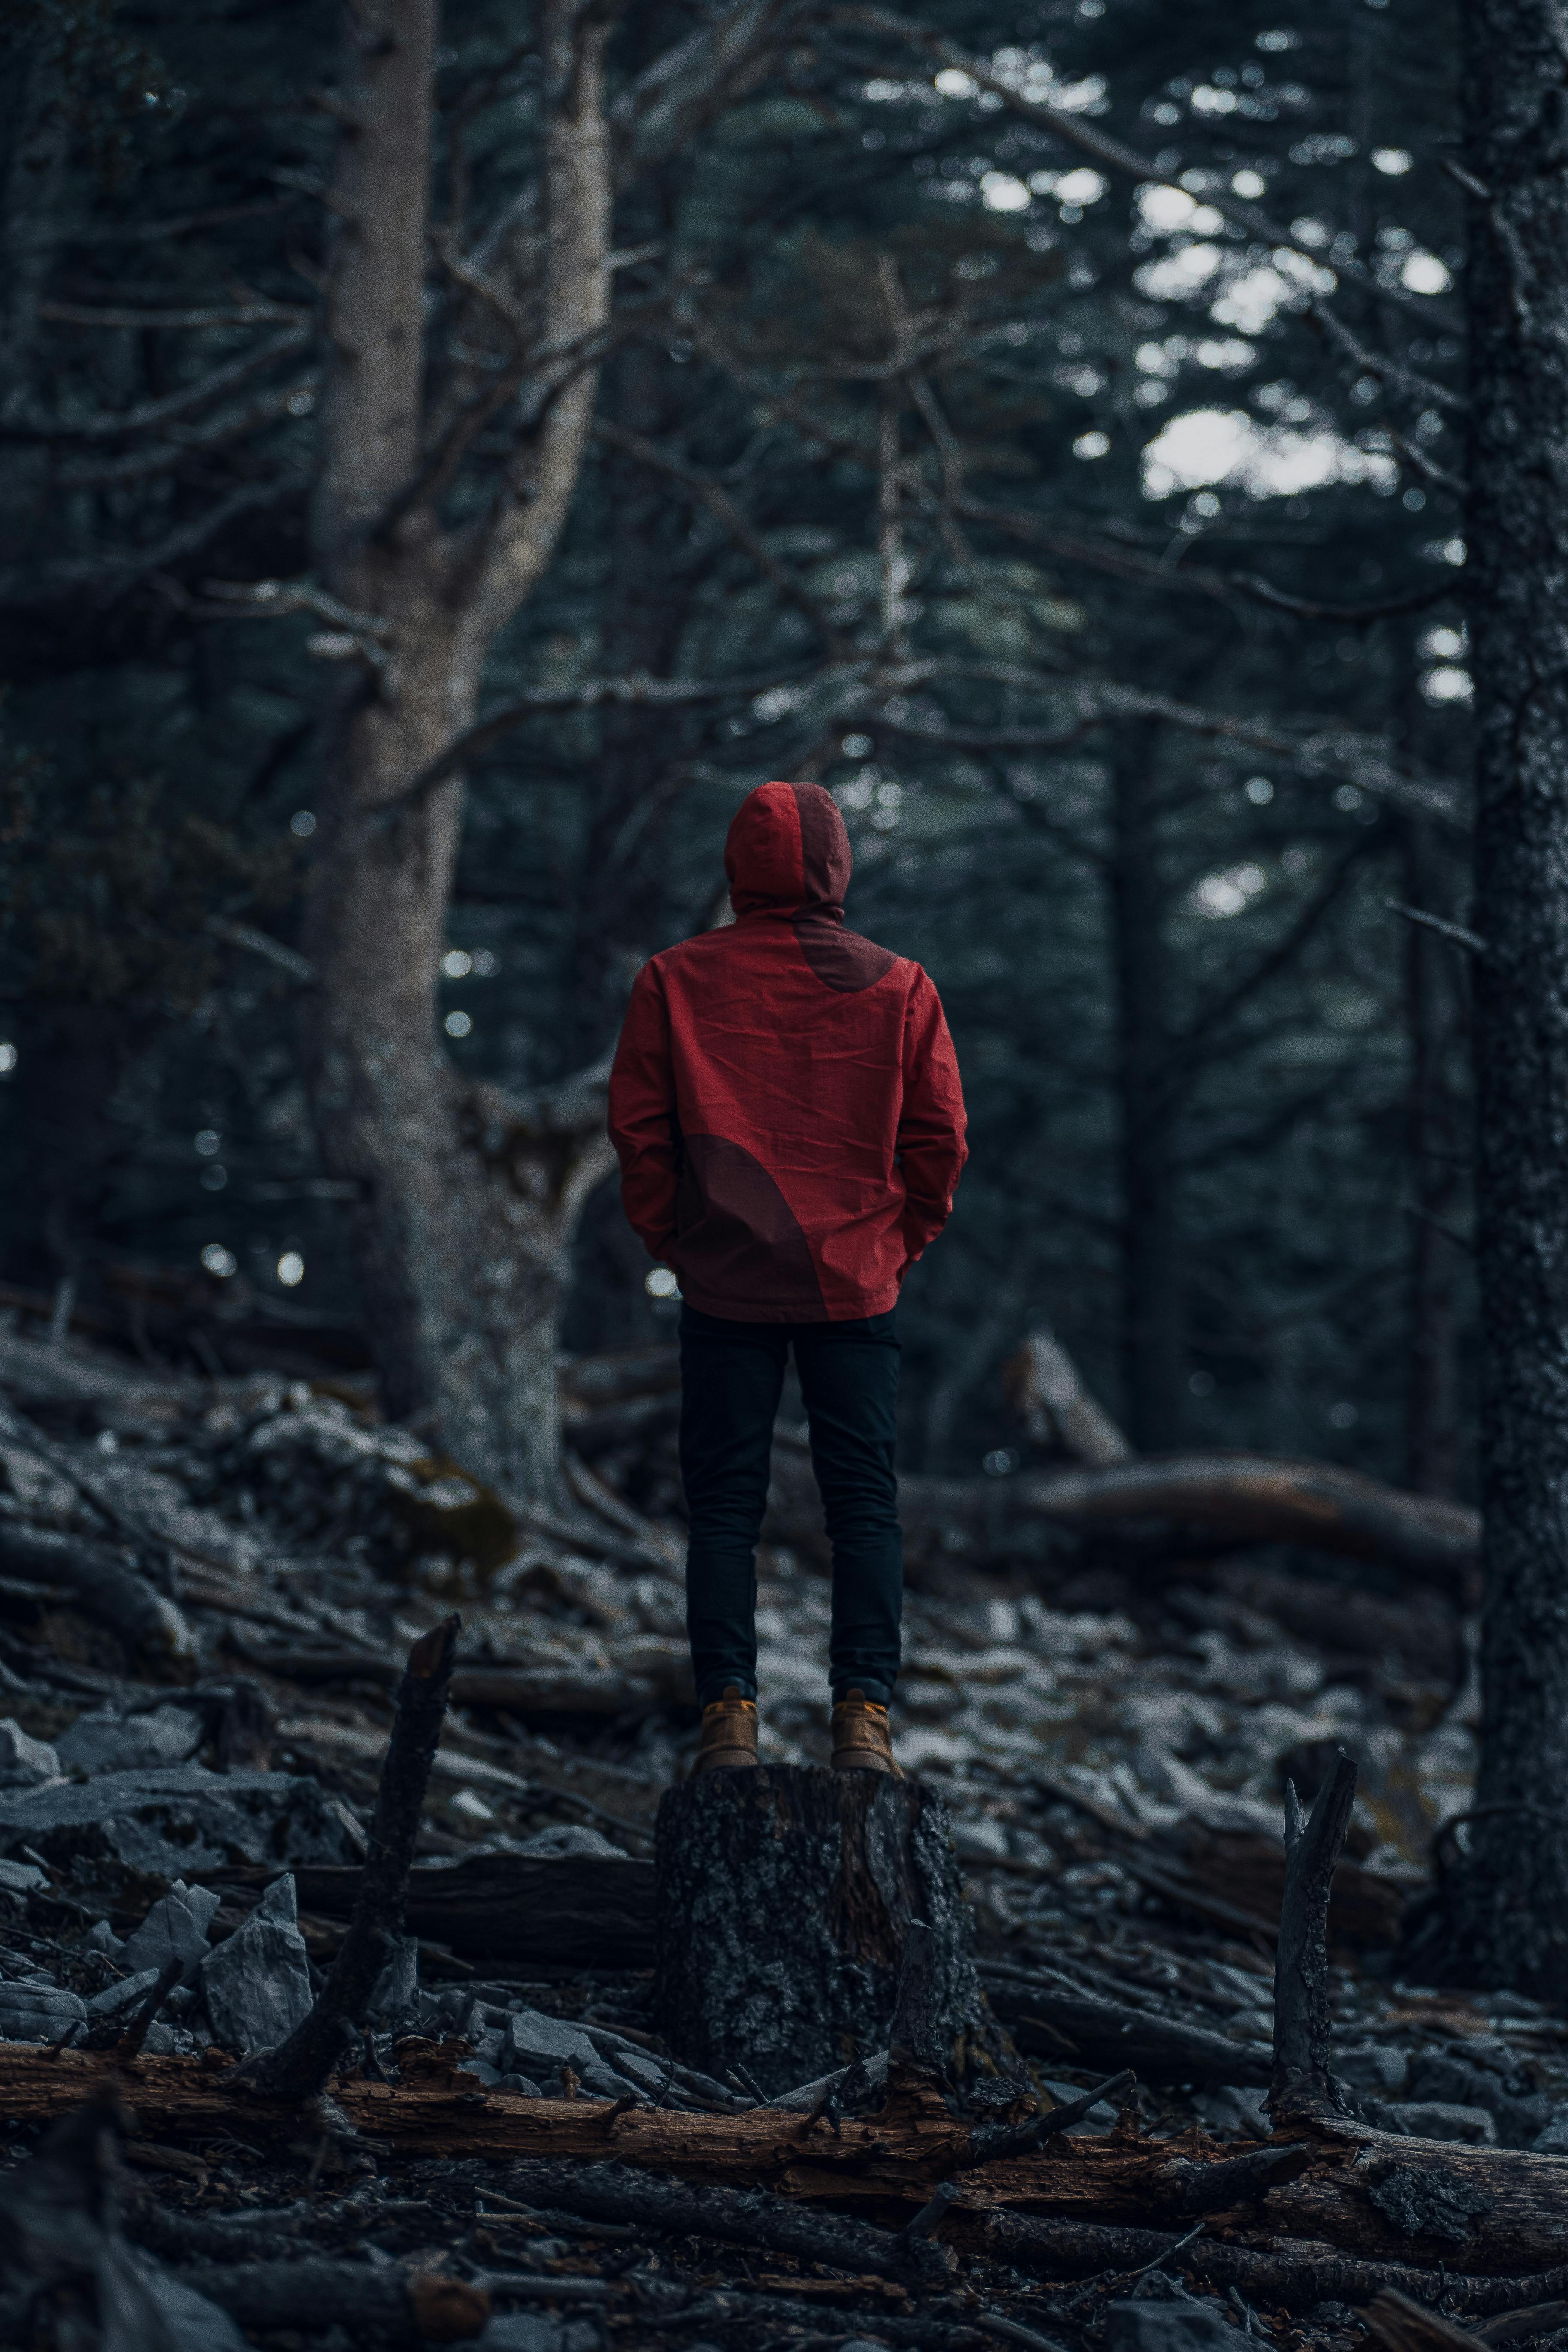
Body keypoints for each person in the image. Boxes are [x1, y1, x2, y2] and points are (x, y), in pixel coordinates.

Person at [607, 779, 967, 1777]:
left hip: (724, 1284)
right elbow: (940, 1140)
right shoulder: (902, 986)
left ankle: (727, 1723)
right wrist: (897, 1246)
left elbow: (639, 1134)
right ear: (839, 867)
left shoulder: (673, 980)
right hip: (856, 1282)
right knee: (864, 1505)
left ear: (738, 867)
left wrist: (677, 1243)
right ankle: (864, 1724)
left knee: (724, 1507)